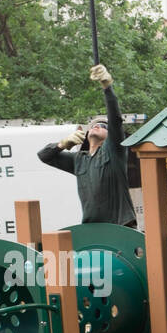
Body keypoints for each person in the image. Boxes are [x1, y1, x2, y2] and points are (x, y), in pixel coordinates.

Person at [38, 64, 136, 227]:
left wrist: (107, 87)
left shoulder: (113, 152)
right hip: (91, 229)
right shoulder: (79, 160)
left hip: (120, 228)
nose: (97, 126)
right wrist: (62, 144)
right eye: (94, 125)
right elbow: (43, 156)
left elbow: (115, 120)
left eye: (104, 126)